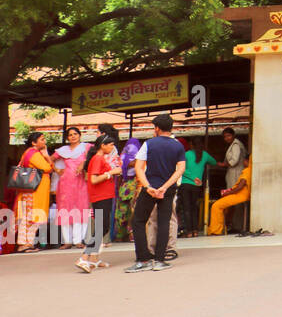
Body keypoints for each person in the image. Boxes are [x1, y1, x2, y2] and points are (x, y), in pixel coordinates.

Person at [126, 114, 186, 273]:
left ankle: (143, 259)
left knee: (138, 221)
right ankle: (159, 260)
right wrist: (165, 187)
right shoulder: (178, 145)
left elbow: (139, 167)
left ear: (157, 128)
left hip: (150, 187)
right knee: (164, 221)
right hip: (168, 189)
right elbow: (180, 169)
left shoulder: (148, 144)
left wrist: (148, 187)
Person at [80, 135, 121, 271]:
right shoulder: (97, 158)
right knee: (101, 227)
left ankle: (94, 259)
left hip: (103, 195)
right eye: (110, 145)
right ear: (103, 145)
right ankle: (85, 257)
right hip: (101, 196)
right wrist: (111, 172)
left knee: (102, 226)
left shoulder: (98, 158)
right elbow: (94, 179)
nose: (112, 147)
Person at [14, 132, 54, 253]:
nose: (44, 141)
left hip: (32, 190)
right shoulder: (34, 154)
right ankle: (24, 244)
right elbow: (48, 168)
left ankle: (27, 243)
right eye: (42, 139)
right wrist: (47, 156)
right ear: (34, 142)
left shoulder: (29, 153)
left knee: (29, 217)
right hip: (34, 192)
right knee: (30, 217)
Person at [52, 128, 90, 250]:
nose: (73, 136)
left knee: (81, 208)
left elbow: (94, 156)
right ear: (67, 137)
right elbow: (49, 159)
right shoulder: (63, 151)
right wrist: (57, 170)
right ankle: (67, 241)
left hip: (81, 182)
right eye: (70, 135)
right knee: (65, 210)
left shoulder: (87, 147)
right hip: (65, 183)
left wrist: (84, 163)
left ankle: (79, 240)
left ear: (80, 135)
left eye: (75, 134)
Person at [179, 140, 218, 237]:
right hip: (197, 185)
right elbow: (214, 162)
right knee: (194, 208)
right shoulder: (204, 155)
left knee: (186, 208)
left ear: (191, 145)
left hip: (185, 184)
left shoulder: (186, 154)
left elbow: (181, 169)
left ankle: (189, 232)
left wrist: (192, 177)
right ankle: (195, 231)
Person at [208, 160, 252, 235]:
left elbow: (240, 187)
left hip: (240, 195)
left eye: (244, 160)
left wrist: (228, 192)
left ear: (247, 161)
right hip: (243, 195)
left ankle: (215, 231)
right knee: (225, 207)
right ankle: (222, 228)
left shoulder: (247, 171)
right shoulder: (252, 171)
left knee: (216, 205)